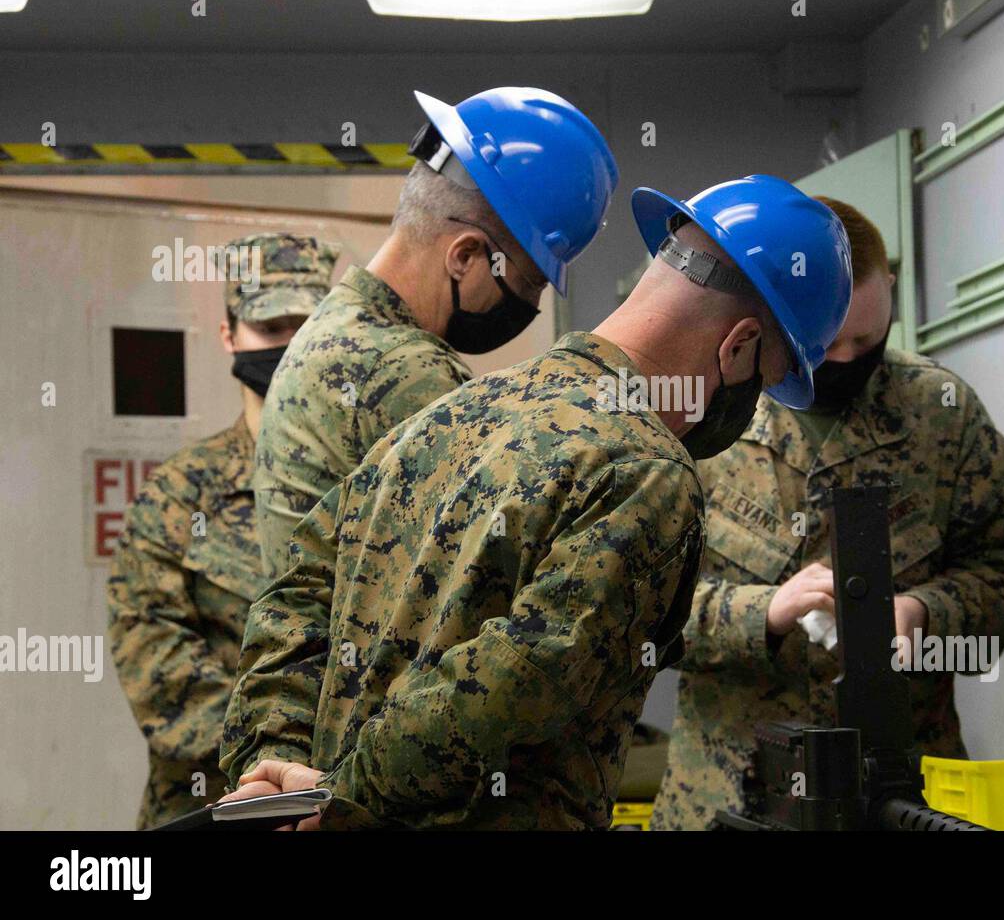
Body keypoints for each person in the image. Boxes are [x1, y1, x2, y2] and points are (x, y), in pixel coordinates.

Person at [218, 175, 854, 830]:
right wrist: (344, 796)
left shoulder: (449, 412)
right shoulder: (647, 471)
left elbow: (294, 594)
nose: (748, 406)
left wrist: (277, 768)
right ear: (739, 345)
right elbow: (516, 683)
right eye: (767, 378)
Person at [651, 197, 1004, 830]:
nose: (851, 360)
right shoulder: (701, 416)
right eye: (831, 344)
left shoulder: (942, 412)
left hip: (900, 799)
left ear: (889, 293)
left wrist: (925, 614)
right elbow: (640, 615)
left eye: (870, 340)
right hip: (727, 799)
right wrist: (762, 615)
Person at [254, 86, 619, 582]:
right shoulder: (404, 367)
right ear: (466, 256)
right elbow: (491, 575)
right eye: (528, 282)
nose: (530, 307)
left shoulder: (340, 322)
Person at [106, 234, 337, 828]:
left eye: (305, 325)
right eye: (270, 326)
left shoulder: (366, 478)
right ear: (229, 336)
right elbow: (154, 662)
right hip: (207, 807)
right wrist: (278, 760)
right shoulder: (180, 493)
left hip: (333, 809)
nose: (288, 345)